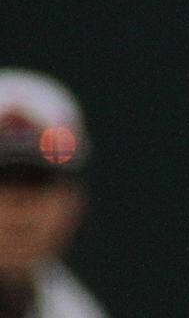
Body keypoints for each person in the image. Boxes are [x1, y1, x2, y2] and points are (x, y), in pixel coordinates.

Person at [0, 71, 107, 318]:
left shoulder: (76, 311)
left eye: (38, 181)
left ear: (72, 201)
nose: (20, 203)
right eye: (4, 180)